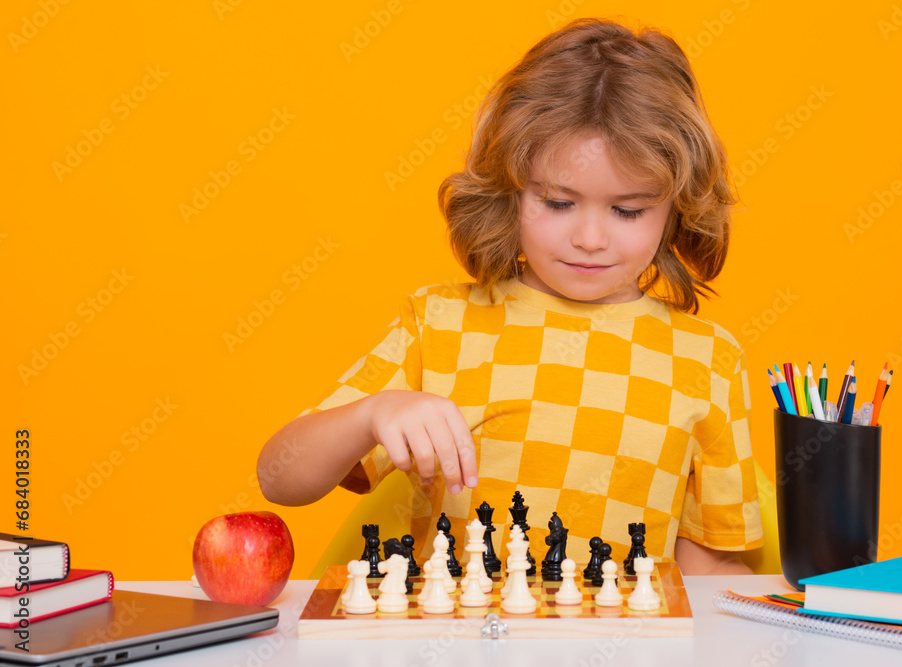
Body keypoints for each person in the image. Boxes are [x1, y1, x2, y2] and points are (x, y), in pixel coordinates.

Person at [258, 17, 762, 575]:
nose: (590, 239)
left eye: (628, 210)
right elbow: (279, 479)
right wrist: (374, 413)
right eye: (556, 201)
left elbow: (709, 570)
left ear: (679, 206)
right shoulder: (439, 326)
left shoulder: (708, 360)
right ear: (509, 189)